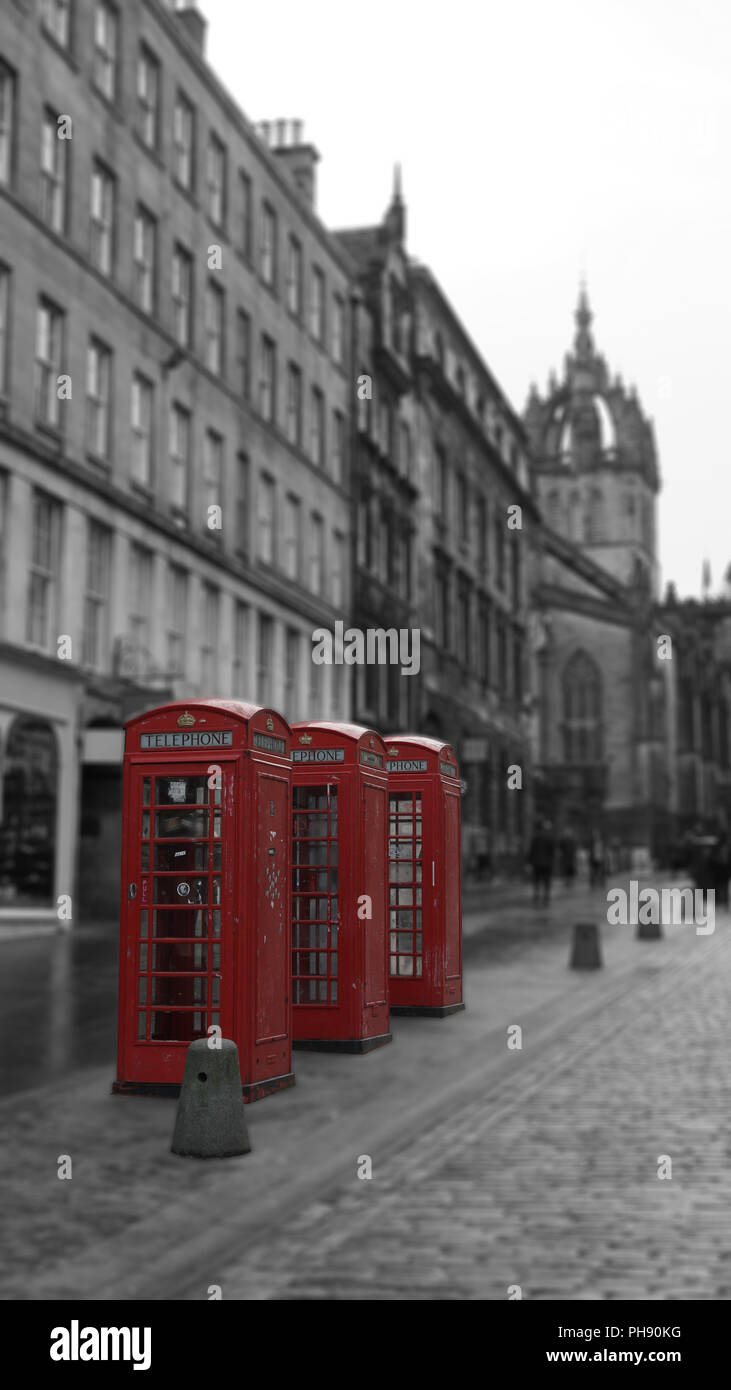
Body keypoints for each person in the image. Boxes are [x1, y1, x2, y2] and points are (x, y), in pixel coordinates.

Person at [528, 819, 555, 907]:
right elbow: (552, 851)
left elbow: (531, 851)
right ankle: (545, 896)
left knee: (537, 880)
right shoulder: (549, 837)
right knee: (546, 880)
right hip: (546, 863)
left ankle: (537, 895)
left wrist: (529, 862)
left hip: (537, 863)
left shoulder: (536, 837)